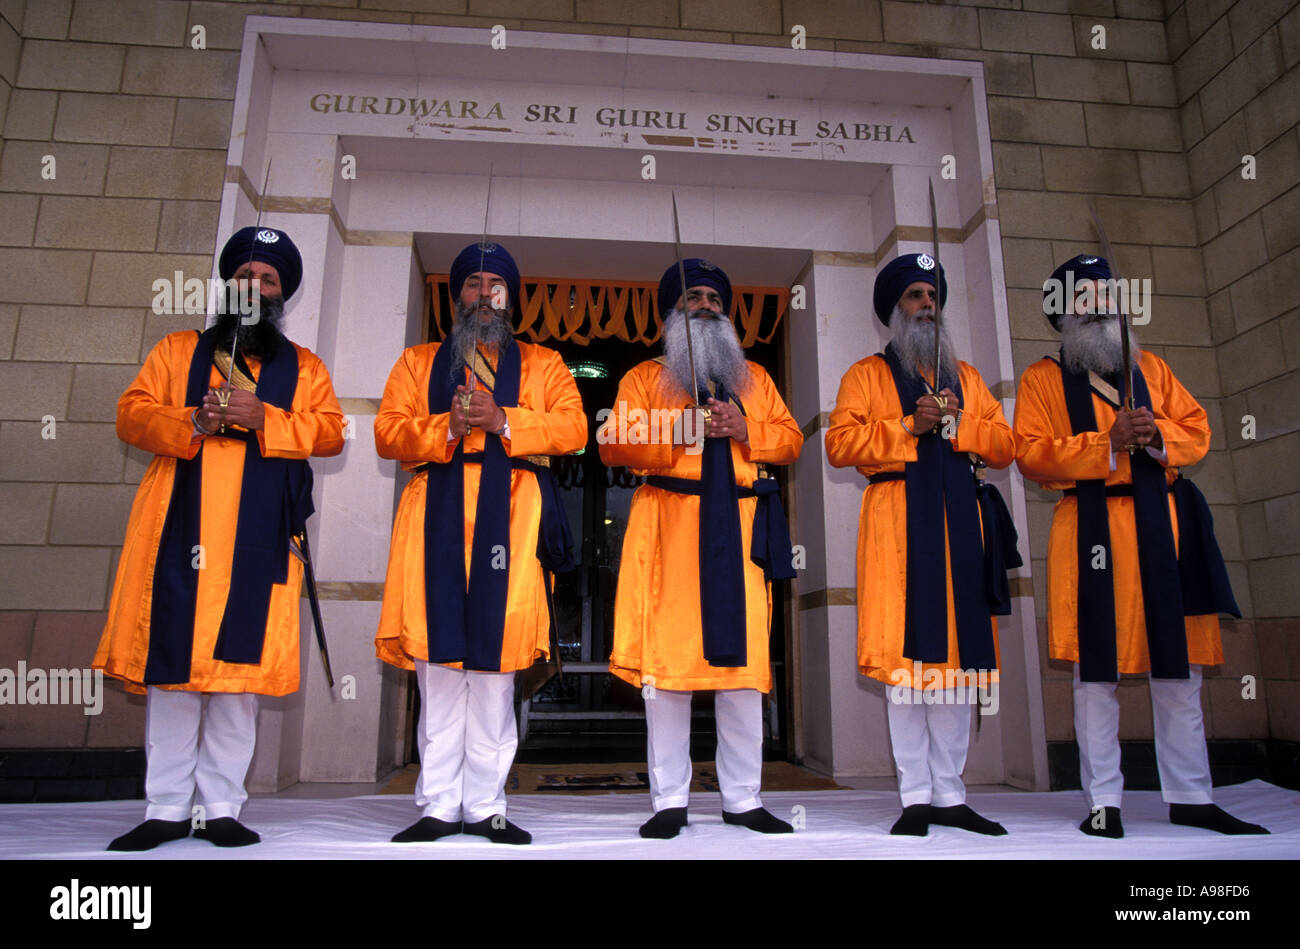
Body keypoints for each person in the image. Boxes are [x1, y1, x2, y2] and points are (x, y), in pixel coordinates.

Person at [95, 226, 345, 851]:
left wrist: (269, 417)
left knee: (237, 681)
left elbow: (333, 432)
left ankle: (223, 809)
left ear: (282, 292)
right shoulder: (179, 350)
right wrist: (195, 420)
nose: (254, 286)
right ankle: (165, 809)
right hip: (178, 529)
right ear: (227, 283)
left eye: (268, 278)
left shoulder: (303, 366)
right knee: (173, 676)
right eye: (245, 275)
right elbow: (131, 413)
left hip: (257, 539)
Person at [1014, 253, 1266, 838]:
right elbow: (1030, 452)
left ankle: (1191, 795)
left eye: (1106, 292)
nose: (1100, 302)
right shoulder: (1042, 379)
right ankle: (1103, 801)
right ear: (1063, 312)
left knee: (1179, 673)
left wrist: (1157, 436)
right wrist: (1106, 443)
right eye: (1086, 295)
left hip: (1164, 526)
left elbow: (1197, 428)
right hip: (1092, 532)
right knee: (1095, 674)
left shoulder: (1152, 367)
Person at [375, 241, 585, 845]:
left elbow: (573, 428)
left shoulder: (544, 364)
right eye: (472, 284)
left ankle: (488, 803)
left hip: (513, 518)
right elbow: (388, 432)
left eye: (495, 285)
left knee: (494, 675)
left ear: (510, 299)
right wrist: (448, 425)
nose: (484, 295)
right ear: (457, 295)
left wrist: (504, 421)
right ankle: (439, 805)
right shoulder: (418, 363)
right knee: (439, 670)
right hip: (434, 512)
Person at [598, 258, 802, 839]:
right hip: (669, 528)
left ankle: (743, 799)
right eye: (693, 298)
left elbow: (790, 440)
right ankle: (669, 802)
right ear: (672, 312)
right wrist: (682, 429)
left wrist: (746, 431)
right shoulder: (644, 378)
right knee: (667, 671)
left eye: (714, 297)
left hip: (739, 529)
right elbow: (612, 442)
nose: (705, 305)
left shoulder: (755, 378)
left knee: (741, 670)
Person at [826, 252, 1018, 837]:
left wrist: (961, 426)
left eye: (932, 295)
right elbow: (839, 445)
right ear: (894, 311)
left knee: (956, 665)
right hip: (896, 525)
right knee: (904, 662)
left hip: (961, 519)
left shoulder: (968, 375)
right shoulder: (865, 374)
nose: (926, 304)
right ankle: (915, 795)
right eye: (914, 295)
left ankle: (950, 794)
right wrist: (909, 426)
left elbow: (1007, 446)